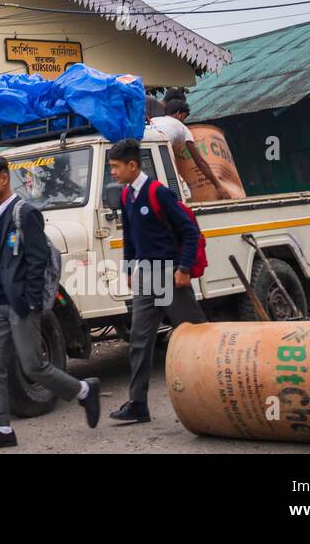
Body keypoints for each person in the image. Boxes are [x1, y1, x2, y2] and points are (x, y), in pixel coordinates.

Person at [0, 155, 100, 452]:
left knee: (33, 365)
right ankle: (1, 428)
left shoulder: (25, 213)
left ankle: (82, 390)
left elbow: (38, 260)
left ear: (4, 178)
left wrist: (30, 301)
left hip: (19, 304)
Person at [106, 137, 206, 424]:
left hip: (169, 275)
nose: (113, 172)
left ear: (132, 165)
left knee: (195, 336)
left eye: (115, 167)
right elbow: (129, 236)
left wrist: (184, 267)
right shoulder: (127, 196)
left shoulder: (157, 193)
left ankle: (214, 390)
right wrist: (128, 267)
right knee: (139, 340)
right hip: (145, 276)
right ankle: (138, 404)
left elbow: (189, 232)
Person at [149, 94, 230, 200]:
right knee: (185, 194)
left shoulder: (154, 120)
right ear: (179, 114)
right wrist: (219, 186)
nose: (184, 121)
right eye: (184, 117)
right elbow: (200, 162)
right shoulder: (183, 129)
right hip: (160, 157)